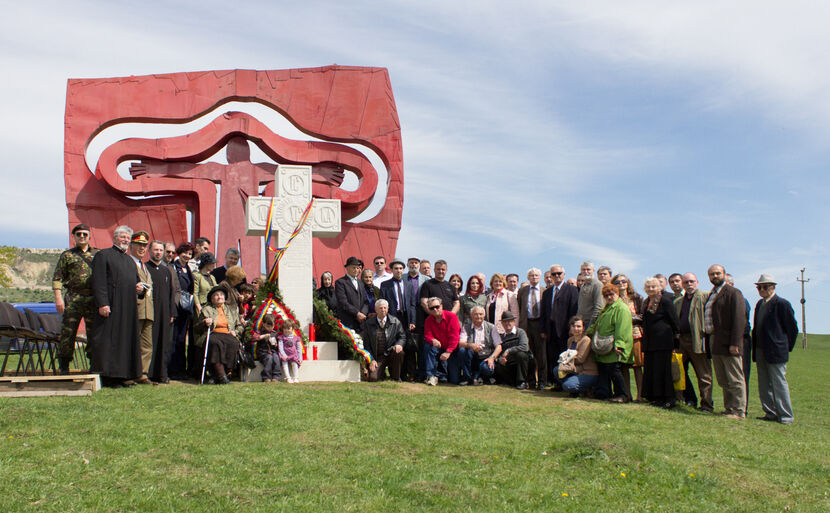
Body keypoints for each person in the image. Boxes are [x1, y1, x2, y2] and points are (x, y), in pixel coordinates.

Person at [90, 225, 144, 387]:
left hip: (127, 307)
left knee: (125, 341)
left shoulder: (129, 261)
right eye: (122, 237)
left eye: (128, 238)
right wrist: (103, 303)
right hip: (111, 305)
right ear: (114, 238)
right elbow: (98, 282)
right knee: (109, 341)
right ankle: (108, 376)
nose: (125, 240)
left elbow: (135, 282)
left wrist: (139, 288)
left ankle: (123, 375)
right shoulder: (103, 255)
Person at [751, 274, 798, 425]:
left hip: (776, 351)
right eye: (759, 287)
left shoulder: (782, 304)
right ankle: (770, 413)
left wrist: (785, 347)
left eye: (766, 286)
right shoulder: (760, 304)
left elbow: (792, 329)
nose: (762, 289)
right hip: (760, 349)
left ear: (773, 287)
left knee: (779, 383)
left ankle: (786, 415)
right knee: (764, 384)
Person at [52, 223, 99, 374]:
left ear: (89, 236)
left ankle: (94, 364)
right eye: (79, 234)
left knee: (94, 333)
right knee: (68, 332)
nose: (82, 237)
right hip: (73, 297)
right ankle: (64, 365)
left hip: (92, 298)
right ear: (74, 237)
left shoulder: (98, 255)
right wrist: (58, 298)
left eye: (85, 234)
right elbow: (57, 278)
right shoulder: (67, 255)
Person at [704, 264, 747, 419]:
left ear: (723, 274)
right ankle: (729, 408)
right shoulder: (712, 294)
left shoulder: (733, 293)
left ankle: (739, 410)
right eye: (711, 274)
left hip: (729, 341)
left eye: (717, 273)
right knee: (723, 378)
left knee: (735, 378)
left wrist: (735, 343)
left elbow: (739, 319)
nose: (715, 276)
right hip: (714, 340)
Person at [586, 283, 634, 403]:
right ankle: (604, 393)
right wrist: (587, 334)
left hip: (614, 346)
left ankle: (622, 395)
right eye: (606, 295)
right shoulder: (606, 308)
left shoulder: (621, 309)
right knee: (603, 369)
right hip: (603, 346)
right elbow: (596, 324)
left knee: (615, 371)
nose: (609, 297)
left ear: (617, 294)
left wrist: (620, 345)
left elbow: (622, 329)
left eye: (611, 294)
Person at [675, 273, 713, 411]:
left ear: (697, 282)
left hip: (698, 339)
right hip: (681, 341)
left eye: (691, 281)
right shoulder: (678, 301)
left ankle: (707, 404)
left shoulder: (705, 296)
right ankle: (680, 400)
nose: (689, 284)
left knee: (704, 375)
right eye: (686, 282)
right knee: (678, 372)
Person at [641, 277, 680, 409]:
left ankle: (669, 398)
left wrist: (676, 339)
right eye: (648, 287)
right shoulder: (646, 302)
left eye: (653, 286)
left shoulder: (665, 301)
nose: (651, 289)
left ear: (659, 288)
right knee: (653, 370)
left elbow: (674, 320)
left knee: (664, 371)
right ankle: (656, 397)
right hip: (650, 342)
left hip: (663, 341)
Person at [195, 286, 244, 385]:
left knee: (233, 343)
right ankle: (222, 376)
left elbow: (240, 326)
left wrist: (236, 332)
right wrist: (204, 322)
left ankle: (216, 375)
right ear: (212, 299)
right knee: (216, 343)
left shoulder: (231, 310)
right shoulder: (206, 310)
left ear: (225, 297)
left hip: (228, 333)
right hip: (212, 333)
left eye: (221, 295)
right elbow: (196, 328)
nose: (219, 297)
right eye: (216, 295)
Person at [541, 265, 579, 384]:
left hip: (565, 330)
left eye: (559, 273)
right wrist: (543, 330)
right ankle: (555, 382)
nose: (556, 276)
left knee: (565, 357)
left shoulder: (571, 289)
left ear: (564, 274)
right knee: (552, 357)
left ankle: (565, 382)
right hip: (550, 330)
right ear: (550, 276)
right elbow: (544, 313)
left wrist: (572, 328)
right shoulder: (547, 292)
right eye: (554, 274)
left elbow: (574, 310)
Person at [128, 231, 155, 385]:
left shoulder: (143, 265)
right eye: (139, 245)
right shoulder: (128, 263)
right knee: (133, 343)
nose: (142, 248)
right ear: (131, 246)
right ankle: (130, 373)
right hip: (135, 310)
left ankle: (142, 373)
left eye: (144, 246)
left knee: (146, 345)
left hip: (147, 310)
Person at [612, 273, 644, 402]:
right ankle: (627, 395)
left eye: (623, 281)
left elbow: (641, 316)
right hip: (621, 336)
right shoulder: (613, 299)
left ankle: (640, 395)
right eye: (618, 282)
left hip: (635, 334)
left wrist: (627, 318)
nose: (621, 284)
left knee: (637, 365)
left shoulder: (636, 298)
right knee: (623, 366)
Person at [146, 240, 175, 384]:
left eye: (160, 250)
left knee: (164, 343)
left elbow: (171, 293)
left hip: (165, 313)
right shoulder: (144, 268)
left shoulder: (166, 271)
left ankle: (162, 373)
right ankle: (148, 373)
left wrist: (171, 313)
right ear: (149, 251)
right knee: (150, 342)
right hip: (150, 311)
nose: (158, 252)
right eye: (155, 250)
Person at [360, 299, 406, 381]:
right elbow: (366, 345)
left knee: (399, 353)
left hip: (390, 353)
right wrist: (372, 360)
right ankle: (381, 373)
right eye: (380, 308)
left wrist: (399, 344)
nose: (383, 310)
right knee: (373, 378)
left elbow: (402, 336)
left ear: (388, 309)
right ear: (376, 310)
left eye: (385, 308)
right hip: (378, 357)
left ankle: (395, 377)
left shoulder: (395, 322)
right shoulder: (368, 324)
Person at [553, 316, 598, 396]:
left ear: (583, 328)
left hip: (587, 371)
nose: (576, 329)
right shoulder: (570, 340)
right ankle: (574, 390)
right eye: (573, 326)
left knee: (567, 385)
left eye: (579, 326)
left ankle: (586, 389)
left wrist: (566, 360)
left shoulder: (586, 340)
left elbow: (580, 359)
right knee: (556, 370)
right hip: (575, 368)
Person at [518, 268, 547, 389]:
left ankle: (542, 381)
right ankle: (530, 381)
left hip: (540, 324)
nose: (534, 277)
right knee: (528, 353)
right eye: (531, 275)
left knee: (541, 355)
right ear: (528, 277)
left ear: (540, 277)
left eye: (536, 275)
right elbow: (519, 307)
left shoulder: (545, 291)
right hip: (527, 324)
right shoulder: (523, 291)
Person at [169, 242, 194, 380]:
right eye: (185, 252)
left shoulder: (188, 269)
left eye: (190, 254)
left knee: (181, 339)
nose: (187, 256)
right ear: (179, 252)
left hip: (186, 309)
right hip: (176, 306)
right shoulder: (174, 267)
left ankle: (181, 368)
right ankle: (172, 369)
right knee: (173, 339)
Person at [457, 306, 501, 385]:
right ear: (471, 315)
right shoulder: (466, 326)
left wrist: (492, 358)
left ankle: (481, 377)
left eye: (481, 314)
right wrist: (471, 345)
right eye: (476, 314)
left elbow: (499, 346)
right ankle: (467, 378)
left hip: (486, 356)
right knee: (462, 351)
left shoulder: (491, 327)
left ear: (484, 315)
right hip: (472, 355)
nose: (478, 316)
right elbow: (460, 343)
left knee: (487, 369)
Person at [422, 297, 461, 386]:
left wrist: (448, 352)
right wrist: (432, 339)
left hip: (451, 350)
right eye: (432, 308)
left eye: (437, 306)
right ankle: (431, 375)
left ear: (442, 306)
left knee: (454, 380)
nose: (435, 309)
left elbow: (455, 337)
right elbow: (427, 334)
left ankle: (443, 375)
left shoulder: (452, 317)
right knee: (428, 346)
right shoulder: (428, 320)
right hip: (438, 348)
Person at [493, 311, 531, 389]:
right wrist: (501, 359)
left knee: (521, 354)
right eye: (505, 322)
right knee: (496, 364)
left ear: (514, 322)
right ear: (502, 324)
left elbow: (525, 347)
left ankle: (522, 382)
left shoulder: (520, 332)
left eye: (509, 321)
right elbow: (499, 352)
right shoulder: (501, 337)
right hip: (509, 364)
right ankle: (510, 382)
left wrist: (509, 350)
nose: (507, 324)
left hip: (522, 364)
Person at [334, 256, 370, 330]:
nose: (356, 270)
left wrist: (362, 314)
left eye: (357, 268)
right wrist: (357, 313)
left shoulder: (361, 283)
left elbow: (366, 301)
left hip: (361, 322)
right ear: (347, 268)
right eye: (353, 267)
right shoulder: (340, 282)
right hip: (348, 321)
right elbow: (343, 302)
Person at [252, 314, 282, 382]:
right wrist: (264, 336)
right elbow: (254, 338)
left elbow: (277, 344)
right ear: (263, 324)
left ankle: (276, 376)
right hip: (263, 352)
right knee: (269, 358)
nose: (270, 328)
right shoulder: (260, 332)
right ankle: (266, 377)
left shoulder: (274, 333)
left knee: (276, 358)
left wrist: (275, 343)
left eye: (272, 326)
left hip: (272, 351)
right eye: (268, 326)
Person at [577, 262, 604, 328]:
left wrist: (591, 326)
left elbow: (599, 307)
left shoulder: (597, 285)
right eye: (583, 270)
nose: (586, 272)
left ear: (593, 271)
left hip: (591, 323)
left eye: (588, 269)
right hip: (581, 323)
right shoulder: (583, 286)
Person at [277, 319, 303, 383]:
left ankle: (296, 377)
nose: (286, 330)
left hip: (293, 355)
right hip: (285, 355)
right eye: (285, 328)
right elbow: (280, 347)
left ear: (292, 329)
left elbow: (299, 349)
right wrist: (284, 355)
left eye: (288, 328)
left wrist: (300, 357)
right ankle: (288, 377)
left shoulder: (296, 338)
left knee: (294, 364)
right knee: (284, 363)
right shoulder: (281, 338)